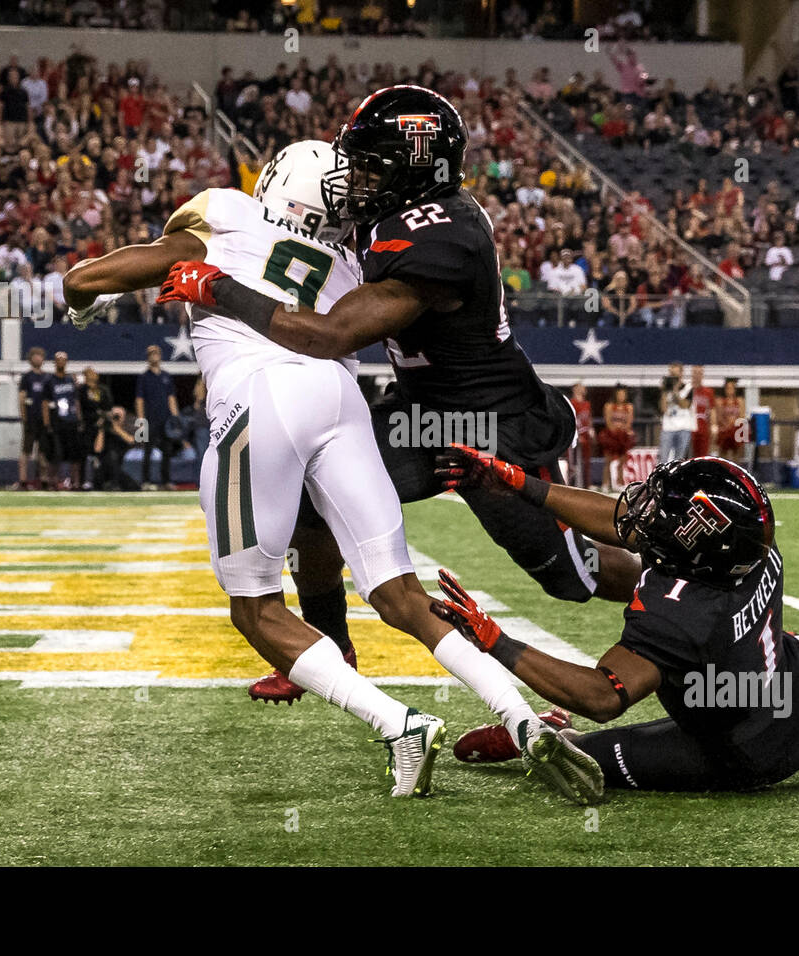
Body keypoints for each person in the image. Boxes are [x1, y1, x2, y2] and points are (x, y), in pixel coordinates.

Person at [62, 139, 594, 798]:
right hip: (341, 401)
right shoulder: (351, 262)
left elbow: (83, 278)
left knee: (254, 610)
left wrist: (83, 307)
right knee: (399, 593)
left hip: (261, 402)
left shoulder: (221, 222)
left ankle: (396, 721)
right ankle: (518, 716)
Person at [157, 86, 643, 706]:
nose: (355, 177)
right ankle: (328, 648)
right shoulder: (394, 210)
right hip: (424, 414)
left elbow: (331, 335)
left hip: (495, 426)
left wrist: (218, 288)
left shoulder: (443, 233)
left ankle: (676, 569)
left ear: (414, 167)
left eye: (370, 164)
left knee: (573, 577)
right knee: (312, 495)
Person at [434, 451, 799, 793]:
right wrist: (520, 484)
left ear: (695, 548)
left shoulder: (679, 610)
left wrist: (494, 639)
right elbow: (625, 522)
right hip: (794, 699)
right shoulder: (752, 554)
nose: (644, 510)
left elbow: (604, 696)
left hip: (737, 749)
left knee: (580, 760)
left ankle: (540, 732)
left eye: (663, 514)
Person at [135, 344, 178, 491]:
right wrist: (141, 420)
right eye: (151, 353)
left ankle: (166, 480)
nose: (154, 355)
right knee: (147, 451)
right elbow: (139, 399)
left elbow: (171, 398)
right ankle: (146, 481)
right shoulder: (143, 377)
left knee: (167, 450)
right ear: (148, 357)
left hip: (165, 419)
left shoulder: (166, 376)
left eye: (156, 353)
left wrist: (175, 417)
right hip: (150, 419)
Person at [42, 351, 83, 491]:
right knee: (56, 453)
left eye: (63, 360)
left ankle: (74, 482)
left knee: (74, 454)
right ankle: (53, 481)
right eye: (58, 360)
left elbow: (76, 400)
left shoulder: (71, 380)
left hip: (71, 420)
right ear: (55, 362)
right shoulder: (49, 381)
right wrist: (47, 423)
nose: (61, 362)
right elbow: (45, 403)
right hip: (57, 421)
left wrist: (79, 418)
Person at [15, 346, 51, 490]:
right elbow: (21, 398)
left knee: (43, 452)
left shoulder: (47, 378)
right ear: (30, 359)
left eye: (40, 356)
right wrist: (24, 417)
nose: (38, 358)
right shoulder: (27, 377)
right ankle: (23, 480)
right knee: (26, 451)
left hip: (44, 420)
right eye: (35, 356)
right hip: (31, 419)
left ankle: (43, 480)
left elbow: (49, 400)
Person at [79, 367, 112, 491]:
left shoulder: (103, 390)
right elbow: (78, 407)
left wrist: (102, 419)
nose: (92, 375)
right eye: (88, 373)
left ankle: (100, 481)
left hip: (100, 427)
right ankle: (83, 481)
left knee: (100, 454)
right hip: (86, 427)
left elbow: (108, 408)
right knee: (85, 455)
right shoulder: (82, 390)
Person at [598, 386, 635, 491]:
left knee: (622, 461)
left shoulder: (629, 407)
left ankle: (619, 483)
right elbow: (608, 421)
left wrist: (622, 429)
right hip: (611, 435)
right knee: (608, 460)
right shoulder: (609, 406)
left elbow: (629, 422)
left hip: (623, 436)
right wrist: (615, 429)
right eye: (620, 394)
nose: (621, 396)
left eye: (623, 394)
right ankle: (605, 484)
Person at [96, 406, 140, 491]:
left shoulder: (127, 427)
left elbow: (131, 440)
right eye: (115, 415)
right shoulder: (106, 430)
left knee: (134, 486)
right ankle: (112, 484)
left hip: (119, 467)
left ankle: (114, 484)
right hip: (104, 465)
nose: (116, 418)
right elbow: (98, 449)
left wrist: (116, 428)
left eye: (119, 416)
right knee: (111, 456)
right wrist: (101, 429)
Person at [658, 362, 694, 462]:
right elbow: (663, 408)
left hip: (683, 427)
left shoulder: (688, 387)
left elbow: (685, 405)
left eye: (675, 374)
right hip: (668, 427)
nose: (673, 377)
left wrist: (675, 391)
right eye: (671, 374)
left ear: (681, 373)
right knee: (663, 458)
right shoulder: (666, 390)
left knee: (679, 460)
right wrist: (664, 392)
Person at [712, 379, 745, 461]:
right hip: (725, 429)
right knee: (723, 451)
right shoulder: (720, 401)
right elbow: (719, 417)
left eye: (731, 388)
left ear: (735, 390)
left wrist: (733, 423)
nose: (729, 390)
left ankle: (736, 469)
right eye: (728, 388)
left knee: (737, 450)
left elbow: (742, 416)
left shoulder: (739, 401)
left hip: (735, 428)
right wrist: (727, 425)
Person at [568, 382, 593, 489]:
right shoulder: (571, 403)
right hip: (576, 434)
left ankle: (586, 484)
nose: (584, 389)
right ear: (575, 389)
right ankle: (572, 483)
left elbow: (589, 417)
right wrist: (576, 434)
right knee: (573, 461)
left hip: (585, 433)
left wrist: (592, 429)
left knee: (586, 460)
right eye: (580, 387)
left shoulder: (586, 404)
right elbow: (572, 419)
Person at [689, 365, 714, 457]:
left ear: (702, 375)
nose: (697, 375)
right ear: (692, 374)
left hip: (703, 427)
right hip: (689, 427)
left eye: (699, 373)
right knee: (689, 455)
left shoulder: (708, 392)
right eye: (695, 373)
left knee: (703, 455)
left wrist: (713, 425)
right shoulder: (687, 390)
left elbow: (712, 410)